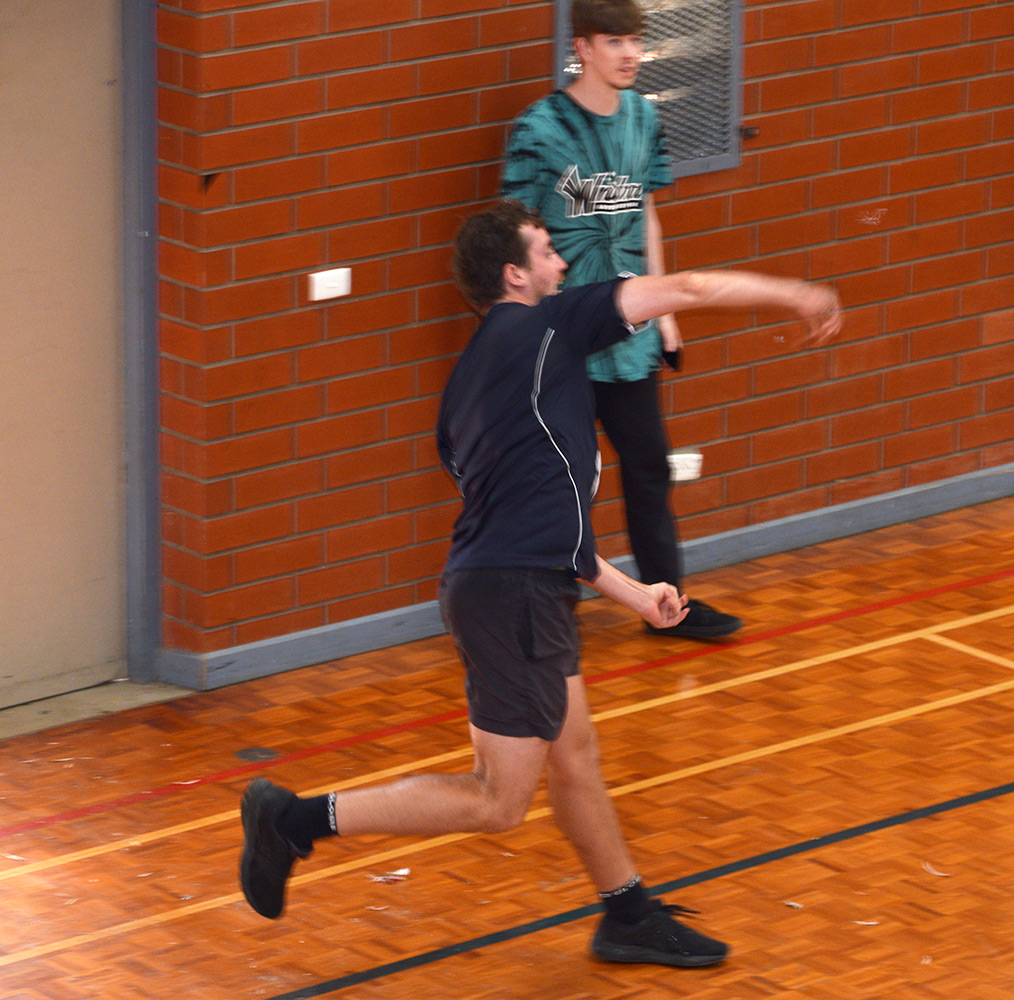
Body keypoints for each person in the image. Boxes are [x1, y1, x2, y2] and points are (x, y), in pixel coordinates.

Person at [238, 200, 842, 968]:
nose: (562, 262)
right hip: (514, 596)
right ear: (515, 275)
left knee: (575, 754)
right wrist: (798, 293)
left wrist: (638, 596)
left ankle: (627, 914)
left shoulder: (464, 391)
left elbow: (543, 526)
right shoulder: (552, 323)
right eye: (548, 251)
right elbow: (686, 287)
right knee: (499, 801)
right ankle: (293, 821)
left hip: (506, 588)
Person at [501, 0, 740, 641]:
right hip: (563, 341)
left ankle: (669, 606)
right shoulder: (539, 130)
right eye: (615, 41)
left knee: (649, 468)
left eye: (636, 40)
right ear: (582, 47)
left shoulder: (643, 116)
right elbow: (512, 238)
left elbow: (648, 216)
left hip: (630, 336)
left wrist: (667, 316)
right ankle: (546, 614)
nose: (631, 54)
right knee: (561, 486)